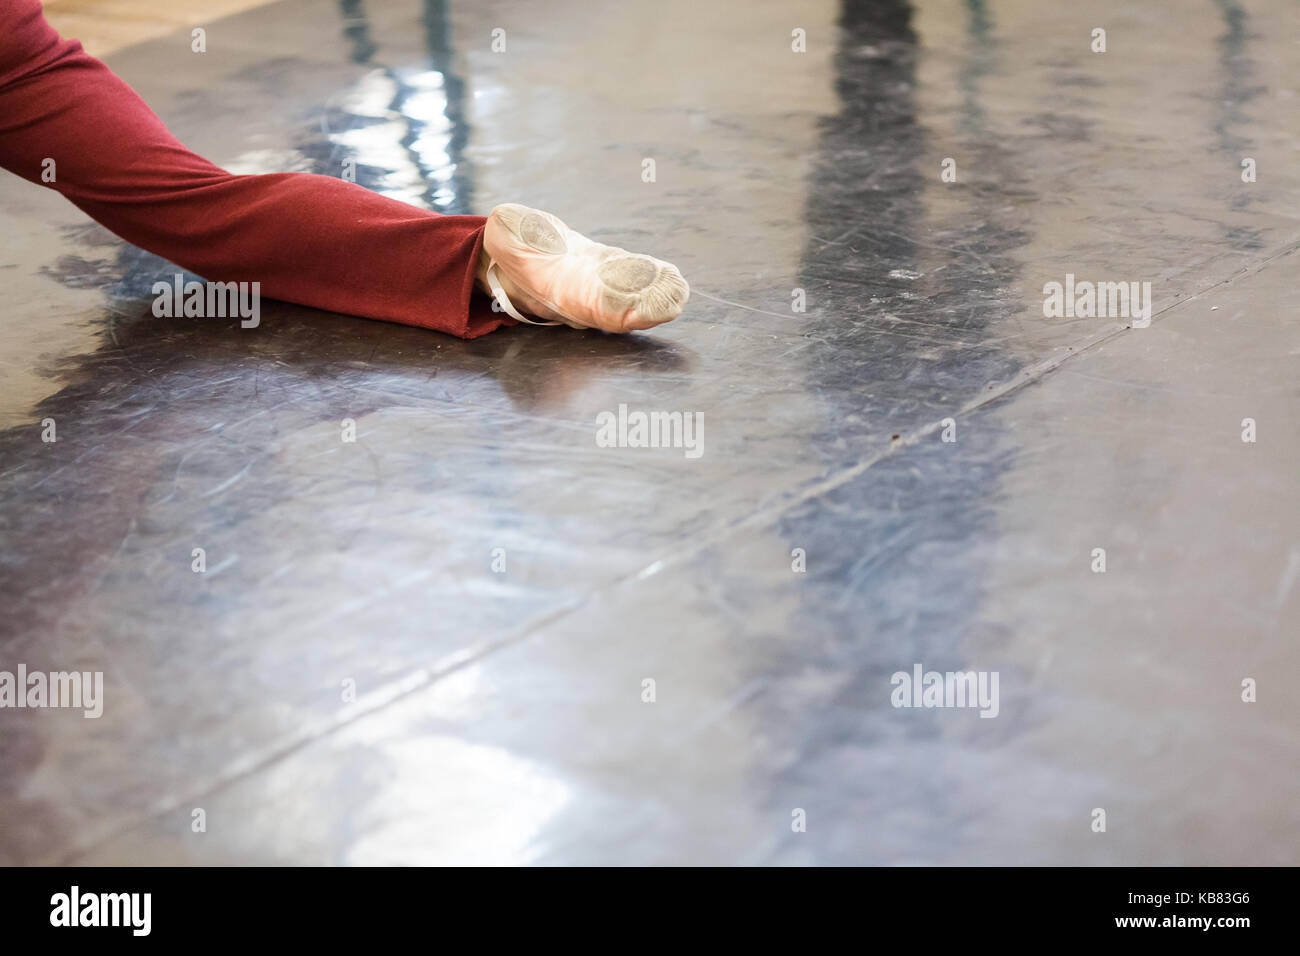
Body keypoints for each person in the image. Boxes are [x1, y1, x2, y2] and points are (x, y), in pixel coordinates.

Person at [0, 0, 689, 338]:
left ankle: (492, 267)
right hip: (19, 59)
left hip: (17, 63)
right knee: (199, 205)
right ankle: (493, 271)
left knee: (198, 206)